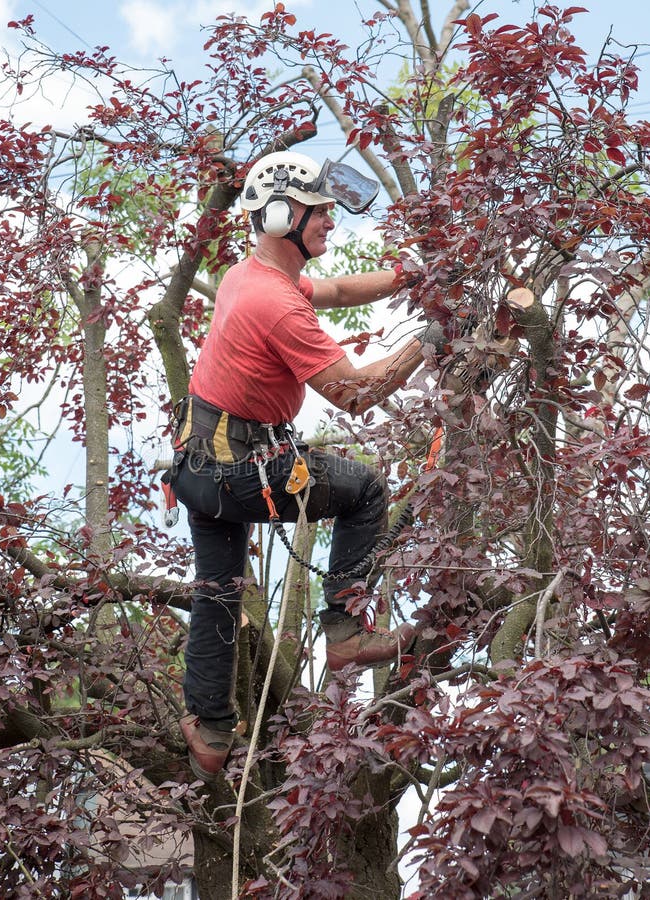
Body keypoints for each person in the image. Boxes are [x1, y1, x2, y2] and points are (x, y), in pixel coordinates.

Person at [170, 151, 446, 780]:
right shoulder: (275, 303)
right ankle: (345, 632)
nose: (328, 220)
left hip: (197, 466)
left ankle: (210, 730)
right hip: (236, 469)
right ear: (277, 215)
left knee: (219, 591)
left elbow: (342, 289)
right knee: (366, 489)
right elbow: (355, 394)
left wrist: (411, 276)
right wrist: (426, 342)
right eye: (318, 210)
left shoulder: (255, 275)